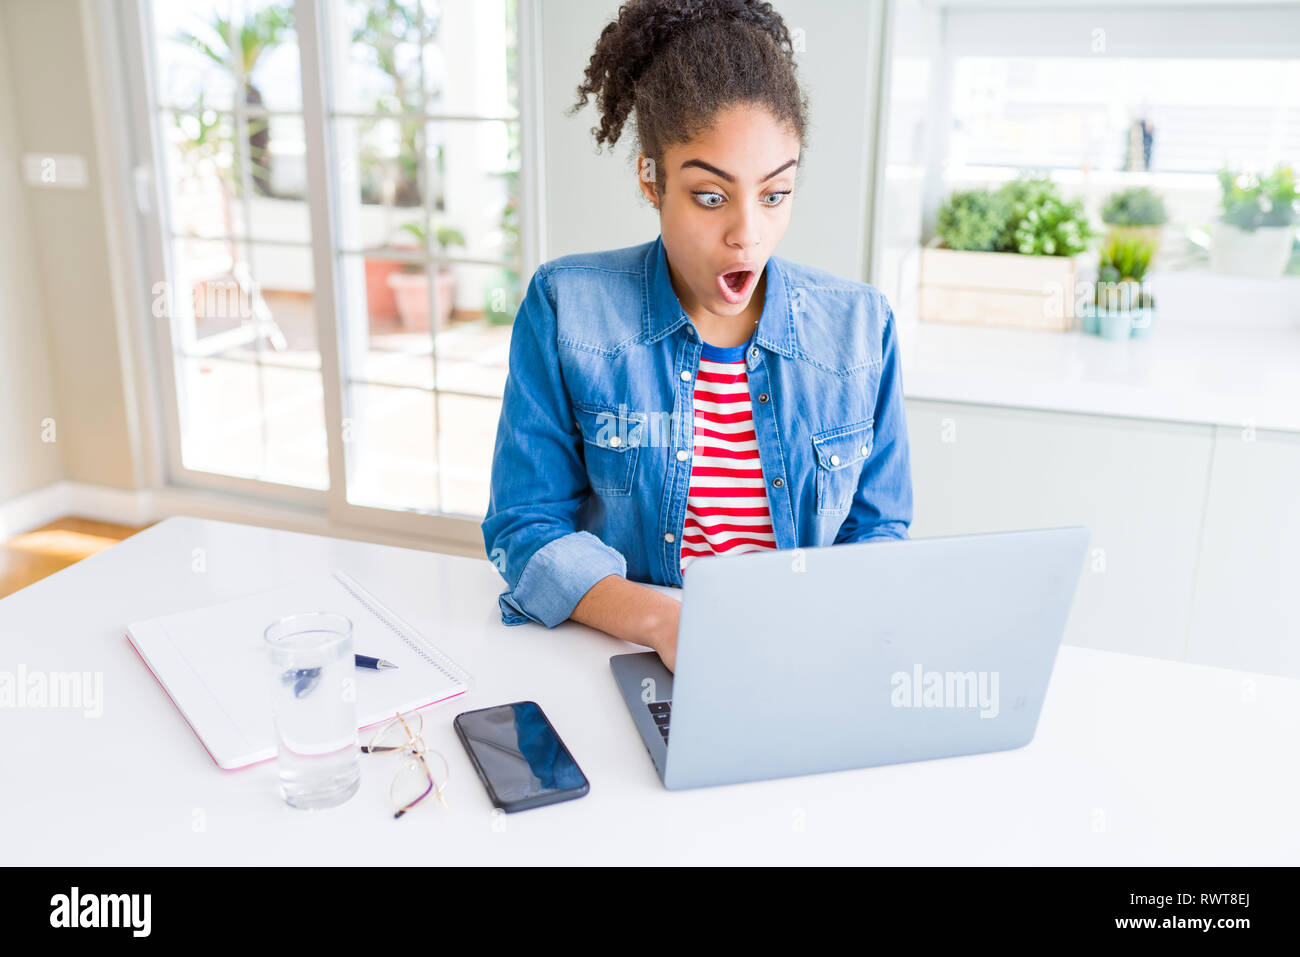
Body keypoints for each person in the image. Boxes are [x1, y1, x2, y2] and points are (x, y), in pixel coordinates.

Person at [481, 0, 912, 672]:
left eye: (775, 194)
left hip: (806, 660)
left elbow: (879, 530)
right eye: (711, 196)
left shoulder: (862, 329)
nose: (748, 233)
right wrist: (665, 622)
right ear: (652, 179)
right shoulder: (567, 309)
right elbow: (525, 526)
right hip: (630, 657)